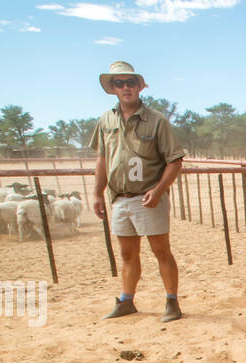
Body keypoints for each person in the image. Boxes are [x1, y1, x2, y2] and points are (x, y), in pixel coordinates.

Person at [89, 60, 186, 323]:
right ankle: (126, 301)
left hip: (148, 198)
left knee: (161, 251)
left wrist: (158, 190)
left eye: (130, 82)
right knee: (127, 254)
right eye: (119, 83)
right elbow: (102, 159)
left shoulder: (157, 121)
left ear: (139, 86)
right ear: (112, 88)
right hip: (119, 197)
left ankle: (172, 302)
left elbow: (175, 161)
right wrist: (98, 193)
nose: (125, 88)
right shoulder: (106, 120)